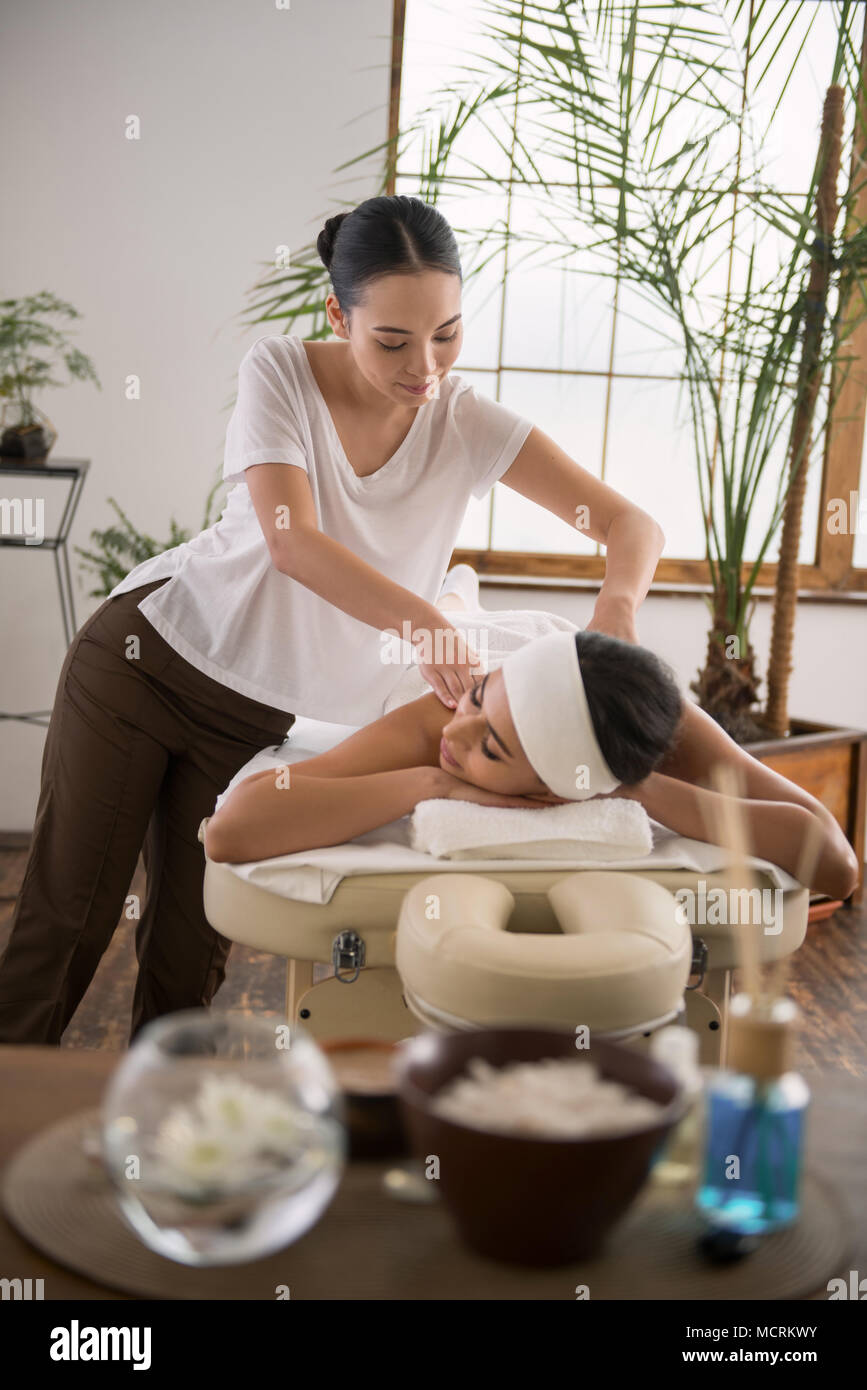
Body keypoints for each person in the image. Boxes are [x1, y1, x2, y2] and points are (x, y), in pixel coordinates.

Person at [0, 193, 672, 1046]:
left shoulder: (464, 422)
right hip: (148, 664)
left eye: (447, 334)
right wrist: (427, 624)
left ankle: (160, 1149)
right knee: (65, 923)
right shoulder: (279, 370)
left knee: (186, 954)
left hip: (257, 718)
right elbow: (293, 542)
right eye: (392, 340)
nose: (424, 367)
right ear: (336, 313)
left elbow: (630, 526)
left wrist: (613, 612)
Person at [204, 622, 859, 902]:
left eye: (490, 750)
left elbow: (835, 863)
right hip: (522, 644)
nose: (458, 736)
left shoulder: (669, 728)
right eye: (480, 704)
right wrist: (431, 783)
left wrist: (643, 794)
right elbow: (233, 828)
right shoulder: (441, 716)